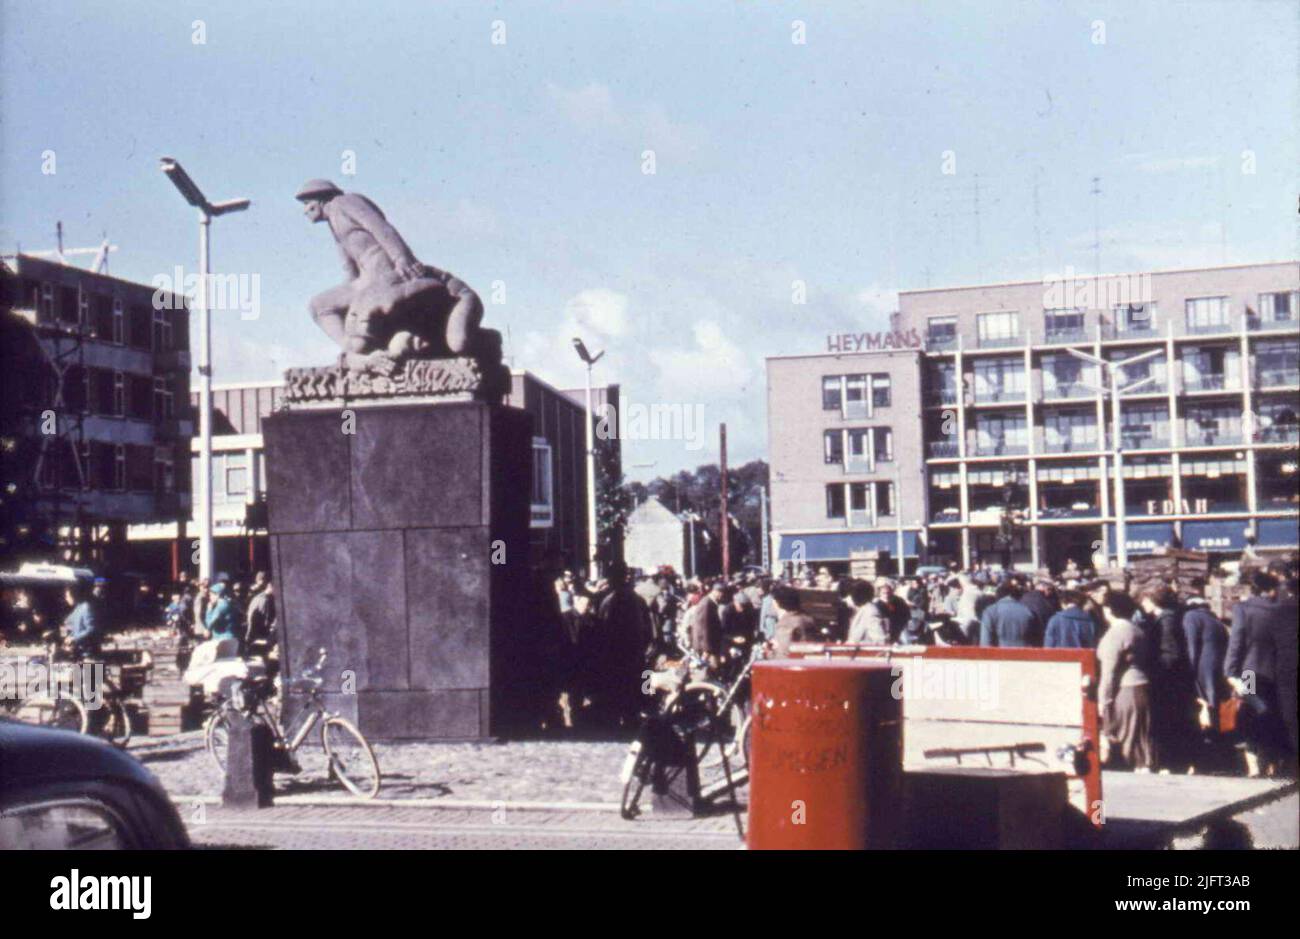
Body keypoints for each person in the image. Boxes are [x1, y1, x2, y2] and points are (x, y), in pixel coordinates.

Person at [1225, 572, 1293, 776]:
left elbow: (1236, 642)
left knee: (1250, 713)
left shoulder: (1243, 610)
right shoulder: (1280, 611)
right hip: (1276, 673)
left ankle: (1254, 766)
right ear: (1272, 590)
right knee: (1272, 715)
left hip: (1249, 671)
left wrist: (1230, 670)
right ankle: (1271, 761)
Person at [1139, 585, 1197, 773]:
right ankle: (1173, 762)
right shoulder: (1168, 618)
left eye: (1145, 599)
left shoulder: (1166, 621)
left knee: (1168, 722)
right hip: (1172, 681)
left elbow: (1171, 653)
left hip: (1167, 682)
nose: (1142, 603)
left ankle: (1171, 763)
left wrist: (1156, 673)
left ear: (1154, 600)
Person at [1097, 590, 1156, 771]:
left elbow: (1109, 674)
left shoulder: (1115, 634)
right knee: (1142, 741)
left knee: (1126, 742)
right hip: (1143, 687)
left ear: (1108, 609)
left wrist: (1103, 701)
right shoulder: (1137, 630)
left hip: (1124, 691)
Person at [979, 579, 1043, 647]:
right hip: (1023, 654)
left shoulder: (990, 612)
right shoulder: (1029, 612)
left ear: (998, 595)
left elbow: (985, 642)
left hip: (999, 654)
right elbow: (1037, 641)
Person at [771, 586, 817, 657]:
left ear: (777, 603)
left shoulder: (785, 624)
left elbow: (783, 654)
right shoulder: (807, 619)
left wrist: (769, 653)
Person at [62, 583, 101, 658]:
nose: (66, 599)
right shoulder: (76, 609)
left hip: (90, 654)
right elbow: (74, 628)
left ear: (74, 595)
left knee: (93, 670)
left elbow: (92, 629)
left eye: (67, 596)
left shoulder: (86, 607)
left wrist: (74, 638)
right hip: (79, 653)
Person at [204, 582, 243, 648]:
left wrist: (209, 610)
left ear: (217, 595)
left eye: (211, 595)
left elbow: (210, 624)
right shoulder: (229, 603)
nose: (210, 597)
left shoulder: (221, 605)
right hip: (230, 638)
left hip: (222, 640)